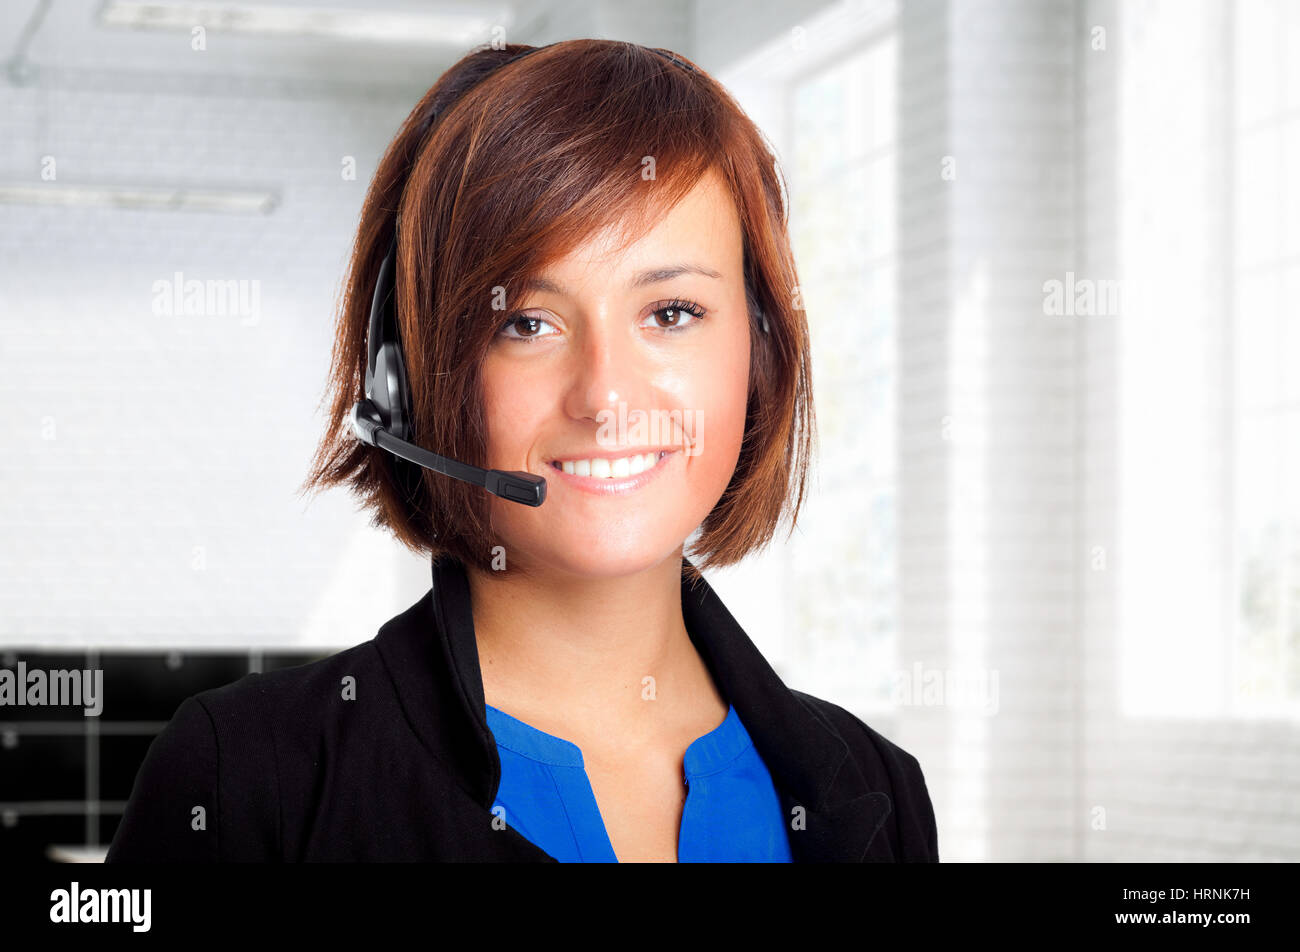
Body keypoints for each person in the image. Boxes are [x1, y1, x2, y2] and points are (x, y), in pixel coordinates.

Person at [106, 38, 938, 863]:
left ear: (760, 350)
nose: (605, 396)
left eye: (672, 313)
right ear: (411, 382)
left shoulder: (877, 793)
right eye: (527, 323)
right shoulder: (248, 778)